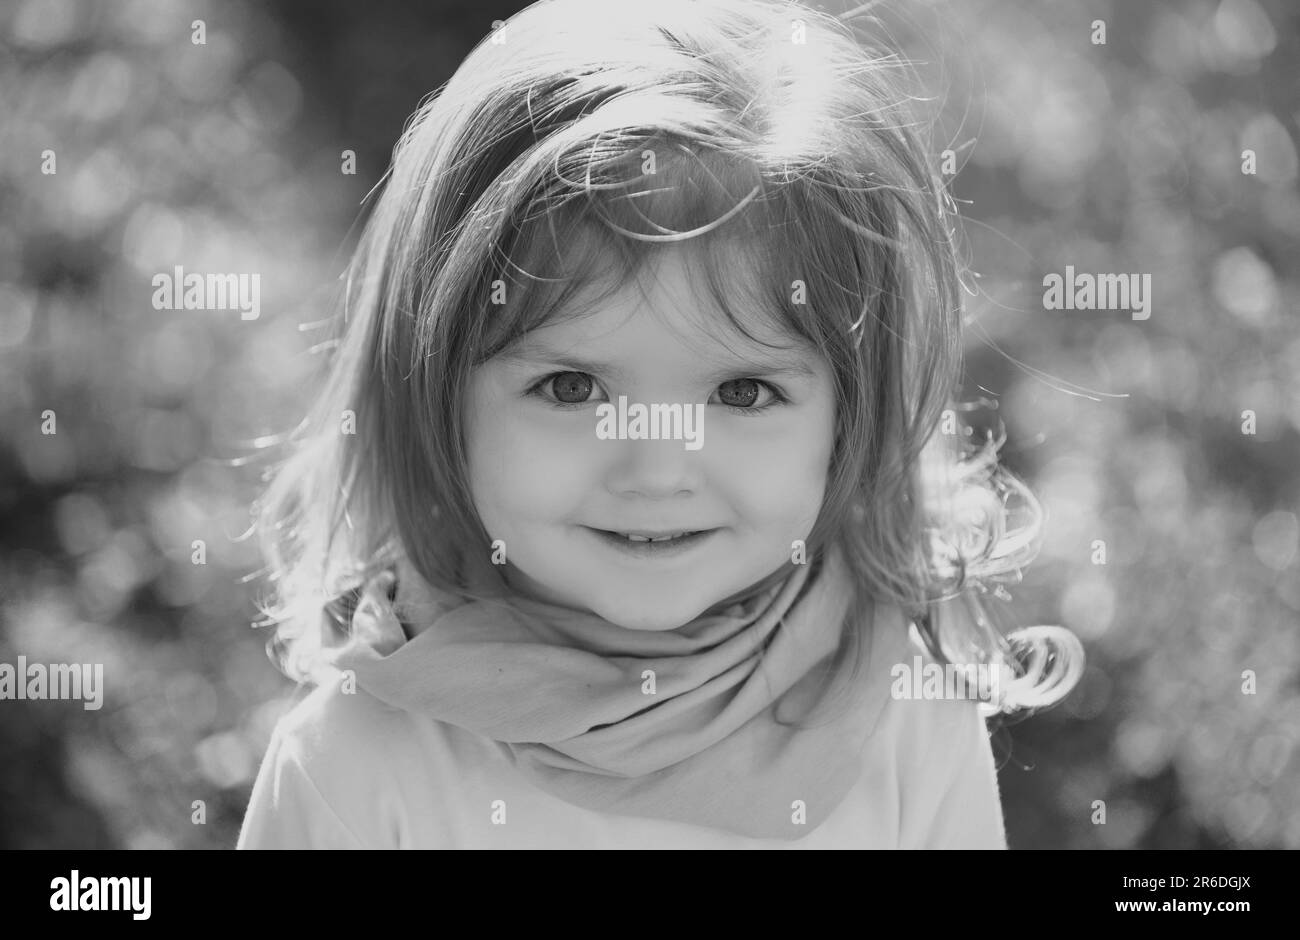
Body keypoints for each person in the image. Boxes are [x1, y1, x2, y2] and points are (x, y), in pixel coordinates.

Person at [237, 0, 1081, 849]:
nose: (655, 471)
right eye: (572, 388)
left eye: (743, 394)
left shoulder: (903, 725)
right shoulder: (354, 767)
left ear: (848, 422)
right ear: (435, 392)